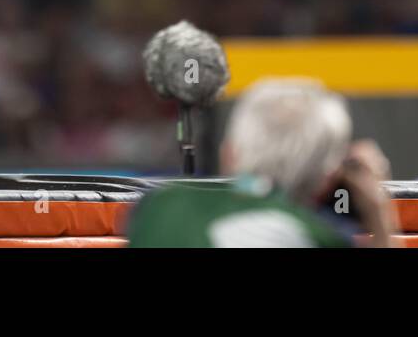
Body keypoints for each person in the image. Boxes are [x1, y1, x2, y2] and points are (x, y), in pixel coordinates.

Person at [125, 78, 398, 247]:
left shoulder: (159, 208)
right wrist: (379, 217)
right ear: (330, 177)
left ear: (229, 153)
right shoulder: (321, 239)